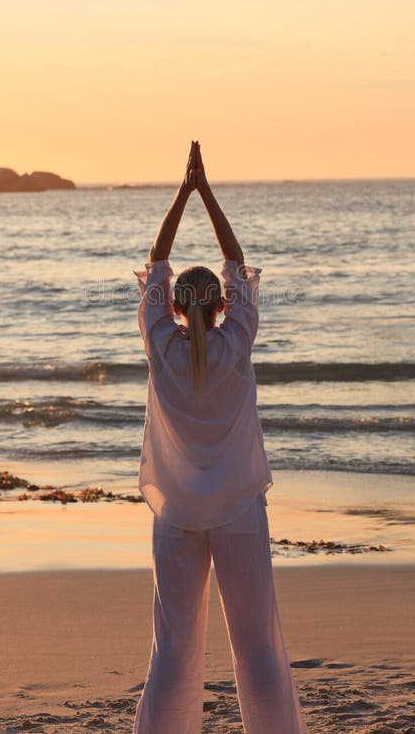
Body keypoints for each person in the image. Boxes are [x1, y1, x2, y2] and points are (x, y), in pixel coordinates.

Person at [132, 141, 309, 734]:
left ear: (178, 309)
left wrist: (183, 193)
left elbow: (156, 262)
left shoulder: (162, 344)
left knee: (174, 650)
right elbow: (237, 262)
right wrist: (208, 192)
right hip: (237, 508)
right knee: (257, 645)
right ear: (225, 305)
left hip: (178, 513)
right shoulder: (237, 344)